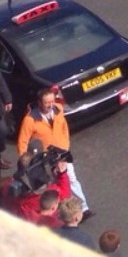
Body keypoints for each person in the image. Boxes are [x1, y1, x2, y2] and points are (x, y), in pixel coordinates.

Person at [15, 87, 88, 216]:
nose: (50, 105)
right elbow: (23, 142)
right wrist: (25, 163)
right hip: (45, 160)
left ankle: (83, 208)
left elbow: (64, 128)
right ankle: (61, 211)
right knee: (53, 186)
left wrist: (66, 145)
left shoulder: (58, 109)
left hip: (62, 154)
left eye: (52, 101)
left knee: (71, 179)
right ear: (39, 103)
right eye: (46, 102)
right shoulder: (30, 120)